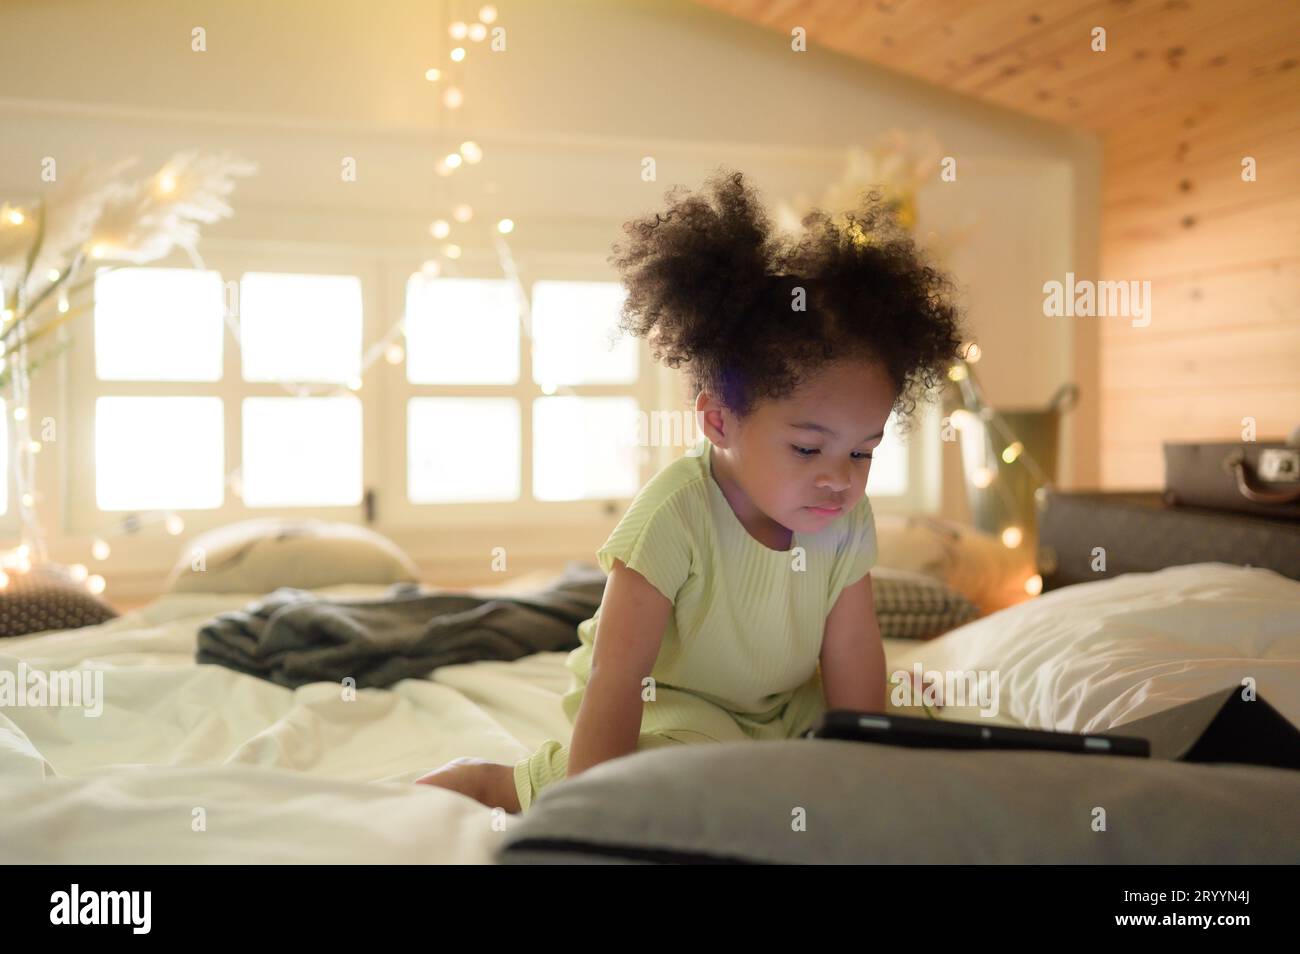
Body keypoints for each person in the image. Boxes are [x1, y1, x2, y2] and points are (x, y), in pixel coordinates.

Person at [415, 168, 965, 813]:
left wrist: (869, 763)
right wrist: (594, 806)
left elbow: (852, 657)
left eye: (864, 451)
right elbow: (616, 678)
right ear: (719, 421)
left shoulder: (847, 519)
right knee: (681, 777)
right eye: (808, 448)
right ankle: (498, 780)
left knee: (914, 714)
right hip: (677, 708)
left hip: (785, 707)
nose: (840, 478)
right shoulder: (677, 512)